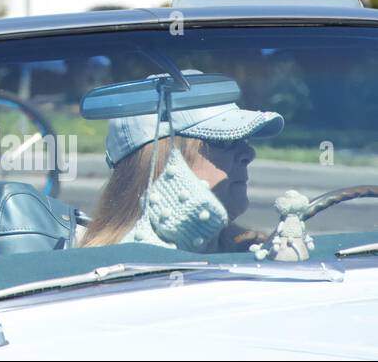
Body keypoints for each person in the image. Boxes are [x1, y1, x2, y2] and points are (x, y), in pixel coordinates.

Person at [80, 100, 283, 252]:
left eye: (245, 141)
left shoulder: (259, 251)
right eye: (224, 141)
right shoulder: (103, 276)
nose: (249, 154)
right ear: (163, 161)